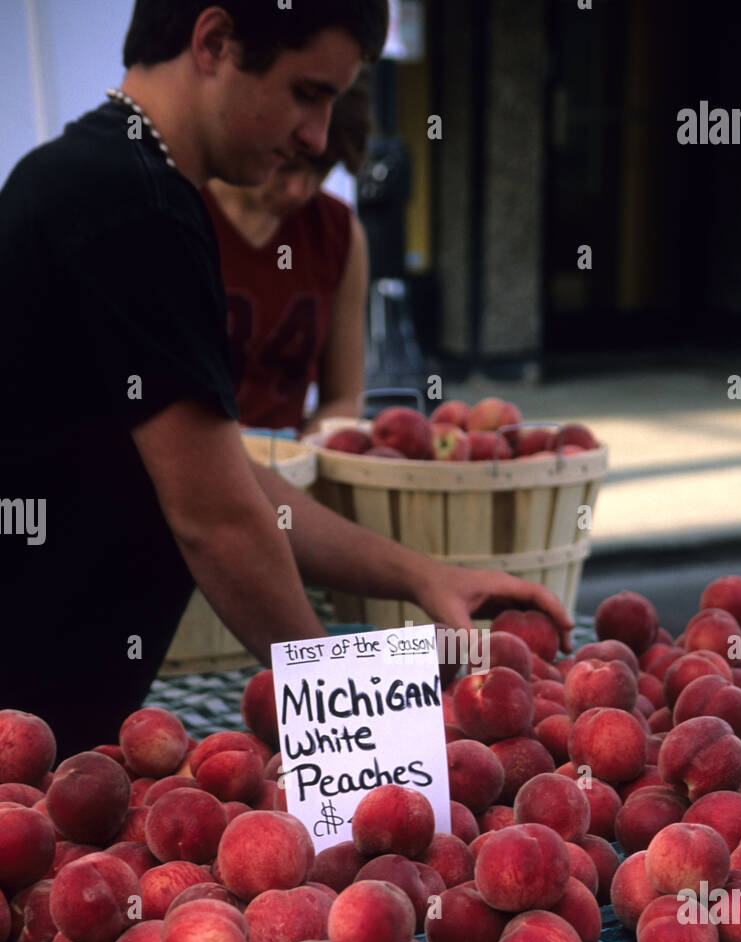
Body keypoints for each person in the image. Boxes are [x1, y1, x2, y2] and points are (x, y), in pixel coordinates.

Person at [0, 0, 571, 762]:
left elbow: (222, 481)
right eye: (308, 92)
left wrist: (419, 575)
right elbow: (218, 522)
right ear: (214, 42)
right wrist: (360, 731)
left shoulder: (93, 174)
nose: (317, 136)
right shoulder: (131, 202)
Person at [203, 73, 371, 432]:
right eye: (288, 164)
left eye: (322, 170)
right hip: (196, 466)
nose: (299, 190)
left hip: (289, 460)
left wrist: (303, 455)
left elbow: (343, 397)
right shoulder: (180, 213)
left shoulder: (339, 233)